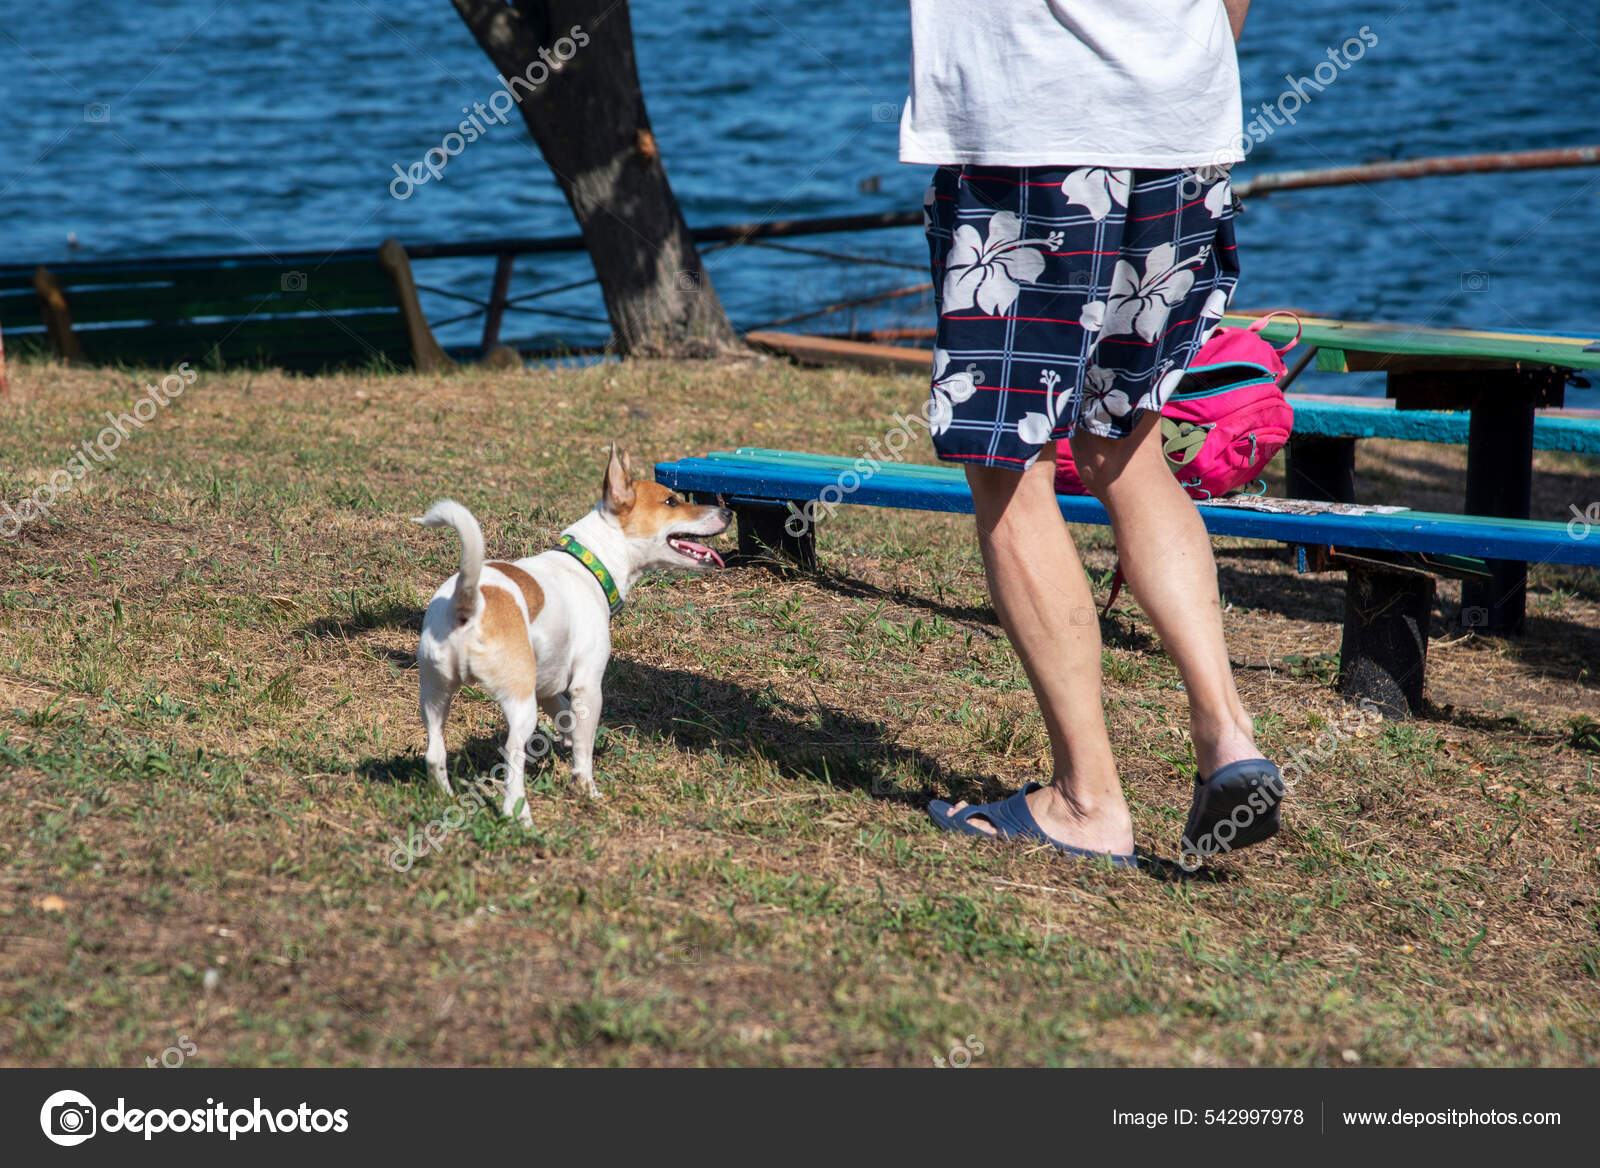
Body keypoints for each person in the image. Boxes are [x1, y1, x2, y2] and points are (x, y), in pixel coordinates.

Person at [903, 0, 1281, 866]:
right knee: (1129, 446)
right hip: (1181, 127)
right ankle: (1227, 733)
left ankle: (1088, 803)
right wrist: (1182, 69)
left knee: (1010, 465)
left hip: (1036, 130)